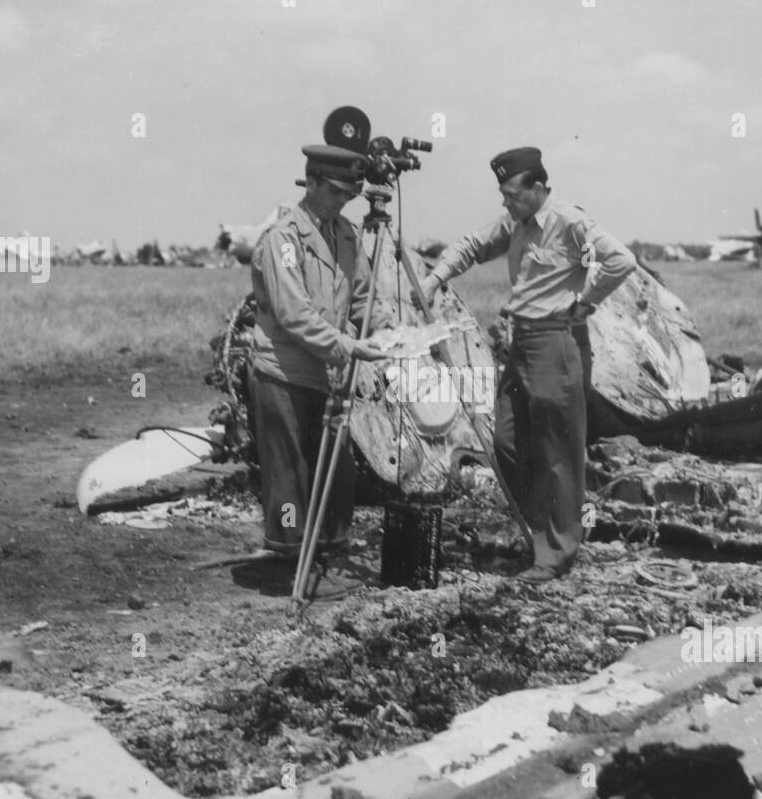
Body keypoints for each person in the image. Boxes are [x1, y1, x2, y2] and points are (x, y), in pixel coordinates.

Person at [415, 147, 636, 581]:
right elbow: (473, 245)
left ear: (538, 188)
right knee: (508, 442)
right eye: (503, 195)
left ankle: (556, 555)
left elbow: (620, 260)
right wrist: (434, 279)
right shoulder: (515, 221)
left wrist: (586, 302)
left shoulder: (568, 221)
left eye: (513, 195)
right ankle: (542, 533)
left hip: (557, 342)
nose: (506, 203)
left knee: (558, 452)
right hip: (521, 344)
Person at [247, 143, 391, 599]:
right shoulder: (283, 240)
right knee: (289, 471)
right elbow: (292, 313)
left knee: (336, 466)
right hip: (283, 372)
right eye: (334, 192)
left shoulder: (346, 236)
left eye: (348, 195)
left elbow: (364, 295)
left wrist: (386, 332)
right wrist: (348, 345)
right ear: (310, 183)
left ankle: (327, 556)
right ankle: (288, 561)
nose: (341, 201)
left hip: (328, 371)